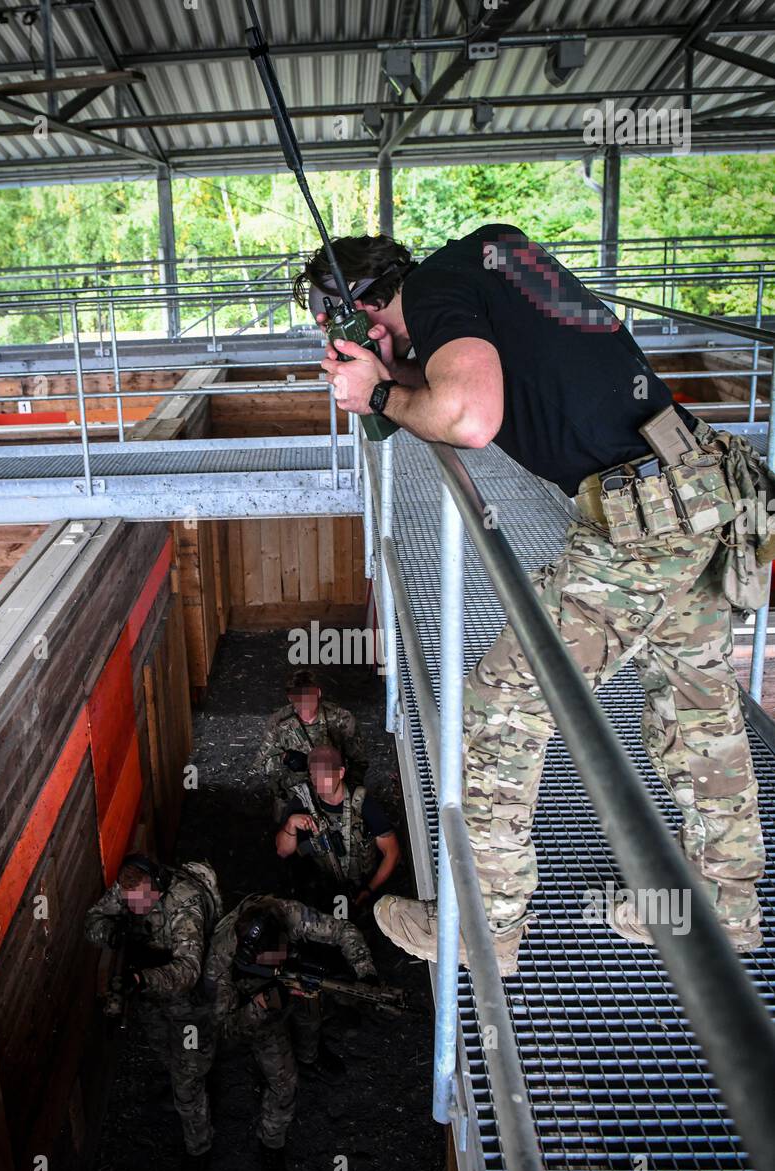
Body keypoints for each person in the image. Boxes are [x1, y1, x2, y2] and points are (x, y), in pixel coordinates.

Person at [293, 227, 771, 973]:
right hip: (697, 489)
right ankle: (724, 907)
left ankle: (485, 928)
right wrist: (400, 376)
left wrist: (379, 390)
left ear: (358, 310)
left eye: (333, 320)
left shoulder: (439, 294)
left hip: (643, 522)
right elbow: (488, 375)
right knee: (698, 706)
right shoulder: (479, 263)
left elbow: (471, 417)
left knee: (500, 702)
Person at [201, 894, 378, 1171]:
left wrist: (365, 973)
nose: (282, 954)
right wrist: (261, 1007)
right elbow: (226, 1029)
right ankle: (271, 1142)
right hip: (257, 1003)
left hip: (292, 981)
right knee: (284, 1082)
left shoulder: (286, 914)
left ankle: (312, 1055)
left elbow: (343, 931)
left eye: (283, 947)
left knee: (311, 1013)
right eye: (274, 956)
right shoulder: (219, 963)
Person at [84, 852, 222, 1171]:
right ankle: (184, 1081)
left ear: (157, 888)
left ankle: (199, 1146)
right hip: (149, 993)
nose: (135, 909)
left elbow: (189, 970)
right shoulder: (131, 887)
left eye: (142, 902)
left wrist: (143, 979)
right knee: (162, 1047)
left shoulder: (183, 906)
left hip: (189, 999)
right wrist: (115, 934)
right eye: (129, 902)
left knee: (189, 1080)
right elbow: (92, 921)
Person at [275, 744, 401, 923]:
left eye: (325, 775)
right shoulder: (302, 801)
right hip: (317, 890)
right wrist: (291, 824)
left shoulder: (362, 803)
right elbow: (282, 851)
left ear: (340, 773)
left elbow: (392, 853)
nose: (319, 782)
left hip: (357, 890)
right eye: (314, 776)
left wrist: (370, 889)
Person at [256, 667, 367, 822]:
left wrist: (347, 793)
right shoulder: (279, 722)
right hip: (293, 794)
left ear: (318, 693)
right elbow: (260, 765)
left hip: (331, 793)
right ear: (290, 698)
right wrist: (284, 758)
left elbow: (359, 761)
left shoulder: (341, 718)